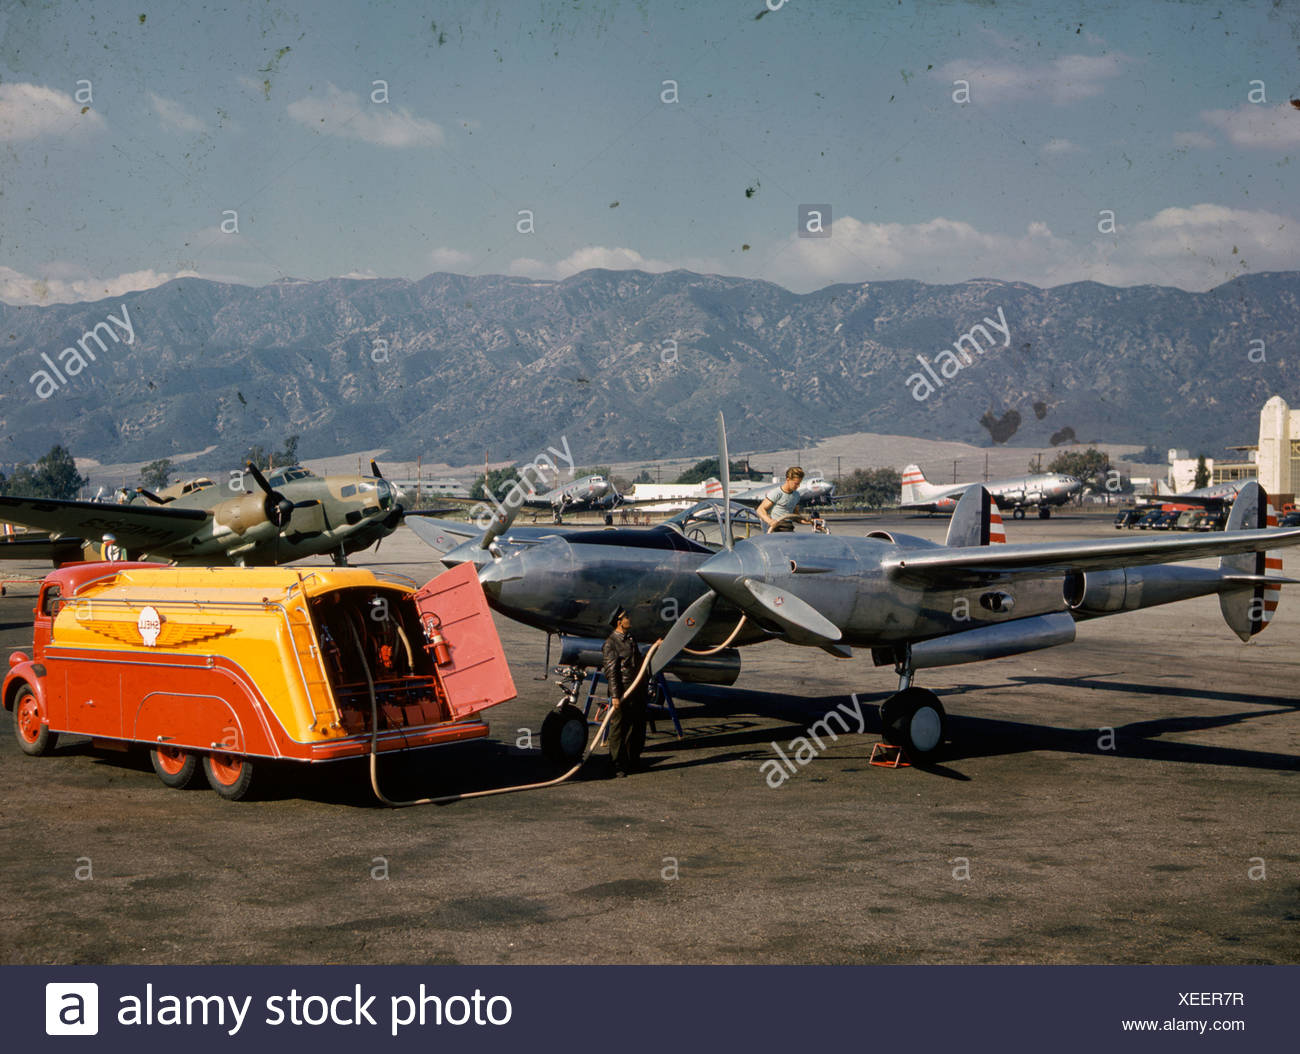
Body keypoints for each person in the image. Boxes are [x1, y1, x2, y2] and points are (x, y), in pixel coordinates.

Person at [601, 606, 647, 776]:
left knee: (637, 726)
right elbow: (611, 672)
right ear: (619, 622)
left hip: (636, 689)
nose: (629, 618)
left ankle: (632, 760)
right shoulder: (611, 643)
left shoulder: (630, 638)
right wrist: (615, 695)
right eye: (625, 616)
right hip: (623, 690)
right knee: (619, 728)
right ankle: (617, 764)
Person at [757, 467, 815, 532]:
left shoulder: (796, 495)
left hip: (788, 529)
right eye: (796, 483)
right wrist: (770, 521)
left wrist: (812, 522)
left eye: (799, 483)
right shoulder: (776, 493)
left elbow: (796, 516)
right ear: (788, 480)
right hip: (774, 529)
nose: (798, 486)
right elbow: (760, 510)